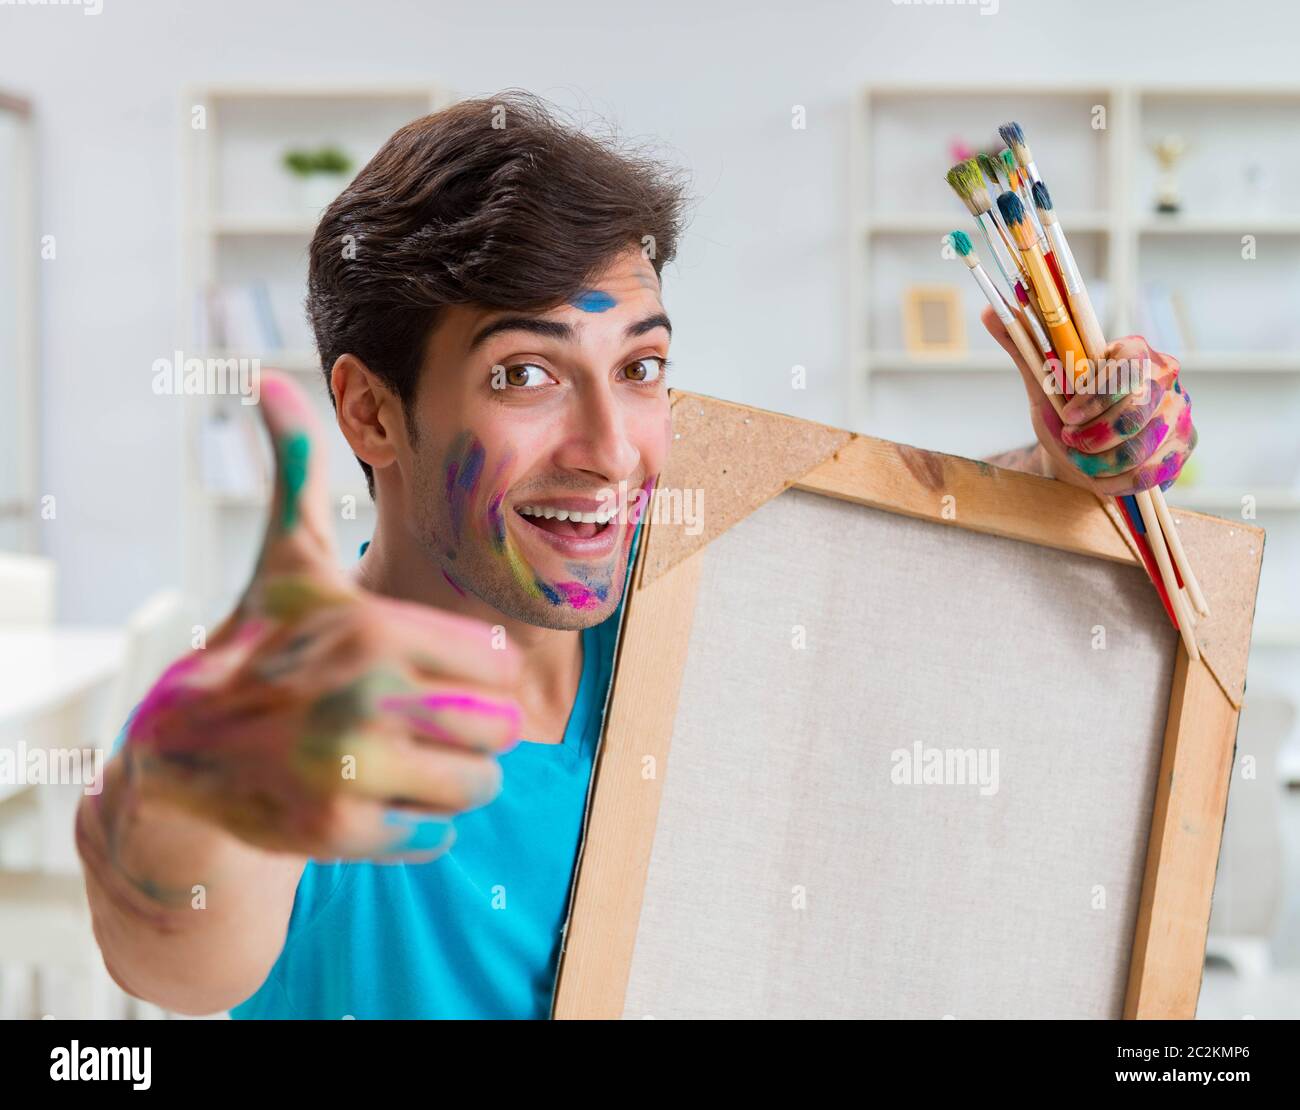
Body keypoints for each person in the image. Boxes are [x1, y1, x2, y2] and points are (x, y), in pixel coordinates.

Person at [75, 91, 1196, 1019]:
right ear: (371, 415)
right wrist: (190, 802)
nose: (612, 452)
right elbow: (174, 945)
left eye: (642, 368)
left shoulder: (693, 620)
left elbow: (910, 595)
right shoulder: (293, 717)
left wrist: (1070, 472)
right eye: (526, 374)